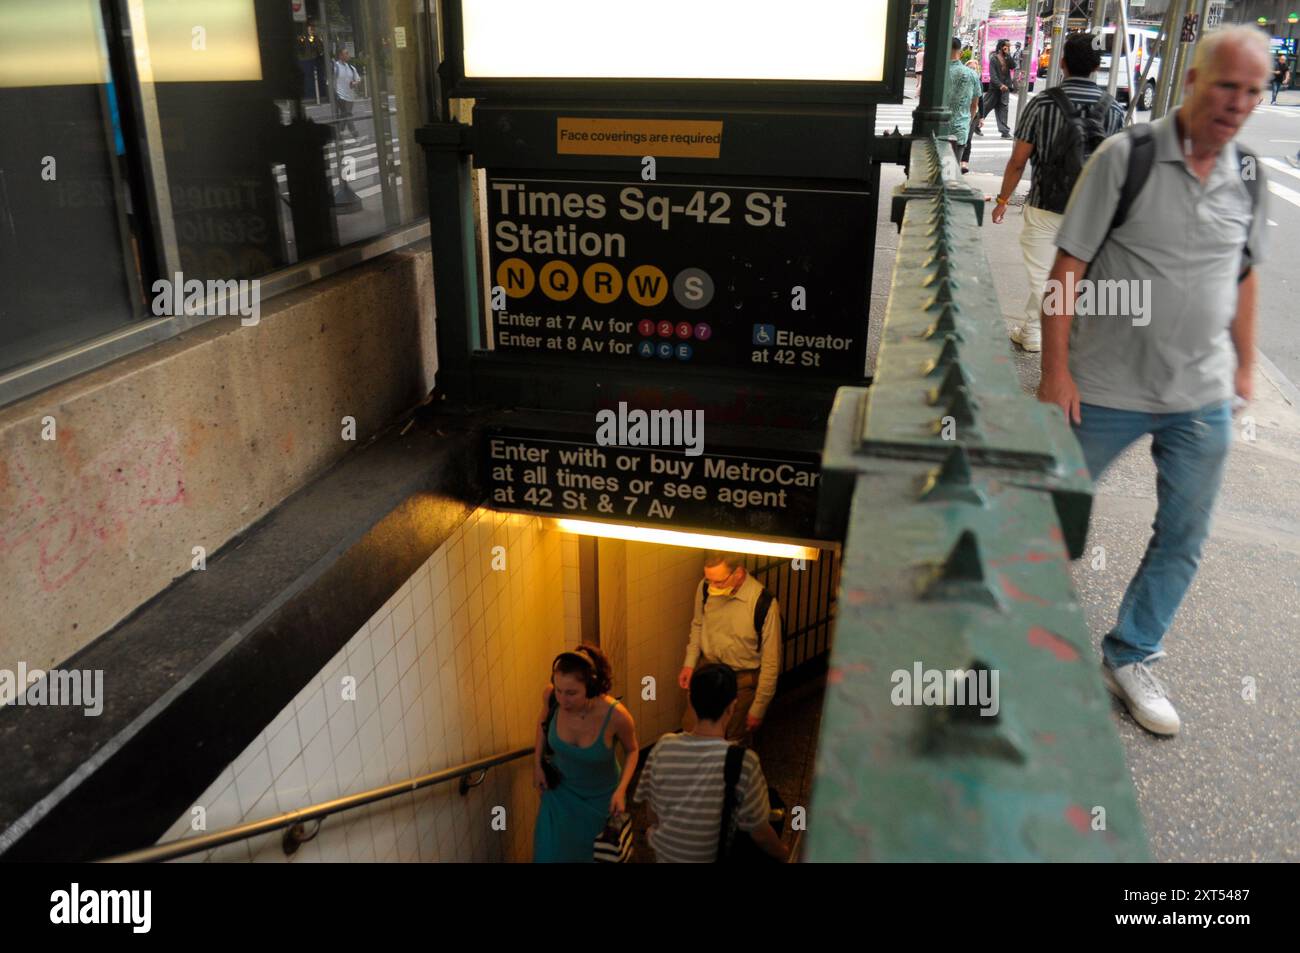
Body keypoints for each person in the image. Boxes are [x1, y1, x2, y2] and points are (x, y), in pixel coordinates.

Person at [1037, 25, 1270, 736]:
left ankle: (1132, 652)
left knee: (1184, 536)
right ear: (1194, 81)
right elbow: (1067, 269)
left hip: (1198, 396)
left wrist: (1244, 362)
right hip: (1102, 384)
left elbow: (1245, 271)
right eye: (1227, 85)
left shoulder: (1250, 174)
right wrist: (1055, 370)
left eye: (1254, 92)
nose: (1238, 104)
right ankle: (1021, 644)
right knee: (1042, 518)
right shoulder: (1125, 157)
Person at [992, 32, 1125, 352]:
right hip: (1093, 212)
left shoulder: (1042, 103)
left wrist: (1003, 200)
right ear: (1097, 67)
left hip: (1045, 205)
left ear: (1062, 62)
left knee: (1048, 280)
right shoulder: (1115, 111)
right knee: (1060, 280)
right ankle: (1032, 331)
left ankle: (1056, 341)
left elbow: (1018, 161)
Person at [634, 664, 787, 862]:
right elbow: (760, 833)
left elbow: (653, 816)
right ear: (732, 707)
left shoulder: (663, 747)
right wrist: (785, 852)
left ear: (690, 700)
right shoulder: (744, 761)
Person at [533, 644, 639, 862]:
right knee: (549, 855)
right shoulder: (551, 697)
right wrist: (537, 765)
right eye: (559, 690)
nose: (563, 699)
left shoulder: (616, 716)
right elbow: (542, 724)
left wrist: (621, 791)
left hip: (600, 803)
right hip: (558, 795)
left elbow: (633, 750)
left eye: (571, 693)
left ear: (591, 687)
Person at [678, 552, 781, 742]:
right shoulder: (705, 588)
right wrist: (690, 663)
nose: (713, 587)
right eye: (709, 580)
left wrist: (759, 707)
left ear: (739, 574)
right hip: (707, 671)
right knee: (692, 733)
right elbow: (698, 624)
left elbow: (771, 663)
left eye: (719, 582)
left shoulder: (764, 604)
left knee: (732, 741)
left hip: (741, 682)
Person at [941, 37, 982, 168]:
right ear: (960, 52)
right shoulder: (971, 74)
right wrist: (967, 122)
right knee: (952, 170)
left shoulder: (938, 72)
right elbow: (974, 105)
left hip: (938, 129)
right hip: (960, 129)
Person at [985, 39, 1015, 137]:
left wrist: (1008, 55)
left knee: (1003, 109)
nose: (1008, 48)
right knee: (985, 107)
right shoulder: (994, 59)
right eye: (1006, 46)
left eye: (1009, 47)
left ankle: (1004, 132)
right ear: (1002, 47)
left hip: (1005, 89)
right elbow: (993, 76)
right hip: (995, 89)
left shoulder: (1007, 58)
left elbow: (1013, 66)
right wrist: (1000, 85)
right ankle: (975, 124)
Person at [333, 48, 362, 139]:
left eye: (348, 53)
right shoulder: (335, 67)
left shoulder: (351, 68)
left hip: (350, 97)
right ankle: (356, 137)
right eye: (346, 53)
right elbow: (330, 82)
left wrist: (355, 83)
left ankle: (338, 136)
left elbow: (358, 79)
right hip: (340, 97)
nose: (348, 55)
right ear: (340, 56)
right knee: (348, 115)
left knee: (344, 117)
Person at [961, 56, 983, 173]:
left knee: (968, 138)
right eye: (970, 68)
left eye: (974, 69)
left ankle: (964, 163)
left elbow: (981, 100)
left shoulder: (978, 82)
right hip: (961, 112)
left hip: (973, 113)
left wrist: (981, 117)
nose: (972, 70)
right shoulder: (961, 80)